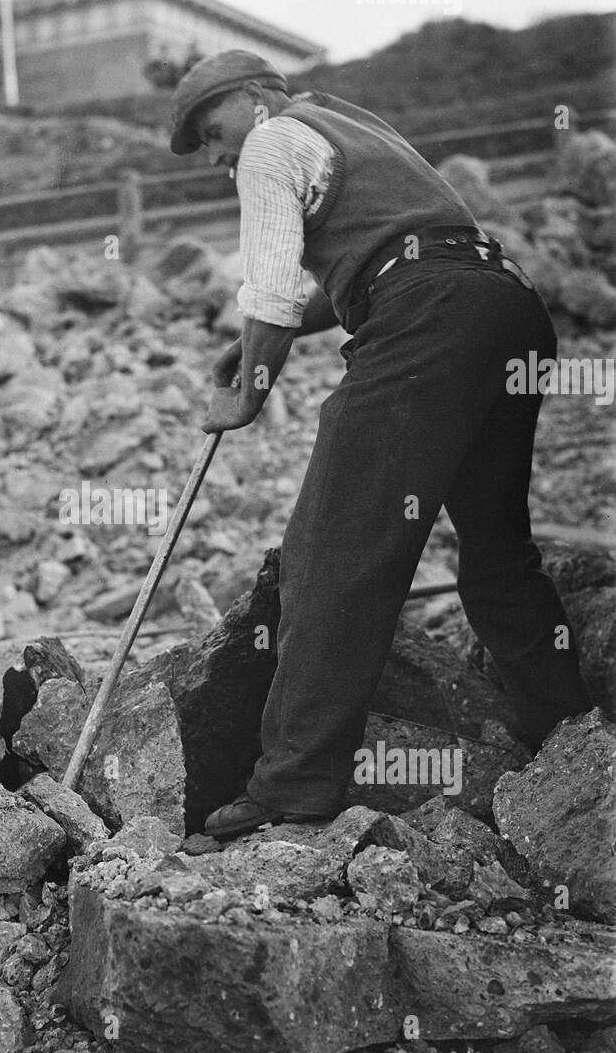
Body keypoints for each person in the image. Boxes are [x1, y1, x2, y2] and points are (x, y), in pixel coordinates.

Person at [167, 50, 594, 840]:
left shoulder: (270, 143)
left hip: (427, 323)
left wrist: (250, 389)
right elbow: (394, 256)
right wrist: (266, 336)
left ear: (252, 99)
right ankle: (572, 735)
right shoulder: (356, 126)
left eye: (213, 131)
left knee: (334, 546)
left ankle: (294, 782)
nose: (220, 155)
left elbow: (267, 285)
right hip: (503, 308)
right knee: (498, 551)